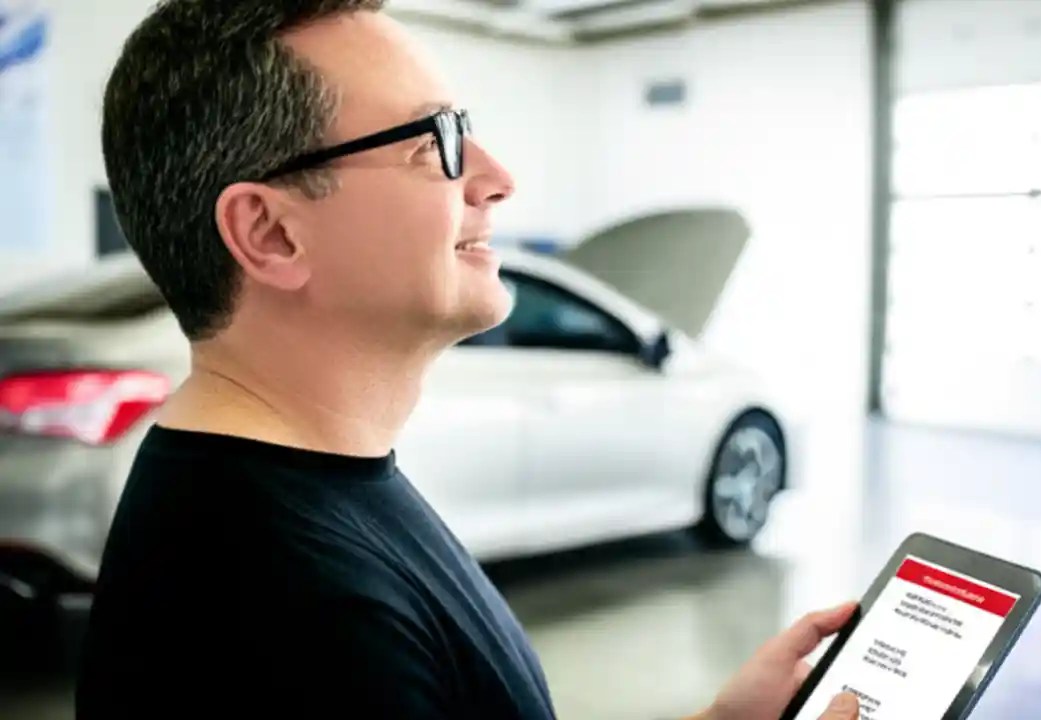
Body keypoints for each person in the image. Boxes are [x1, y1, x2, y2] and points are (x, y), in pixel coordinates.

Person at [74, 1, 860, 718]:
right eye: (436, 143)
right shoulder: (291, 611)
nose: (496, 179)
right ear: (273, 233)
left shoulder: (297, 494)